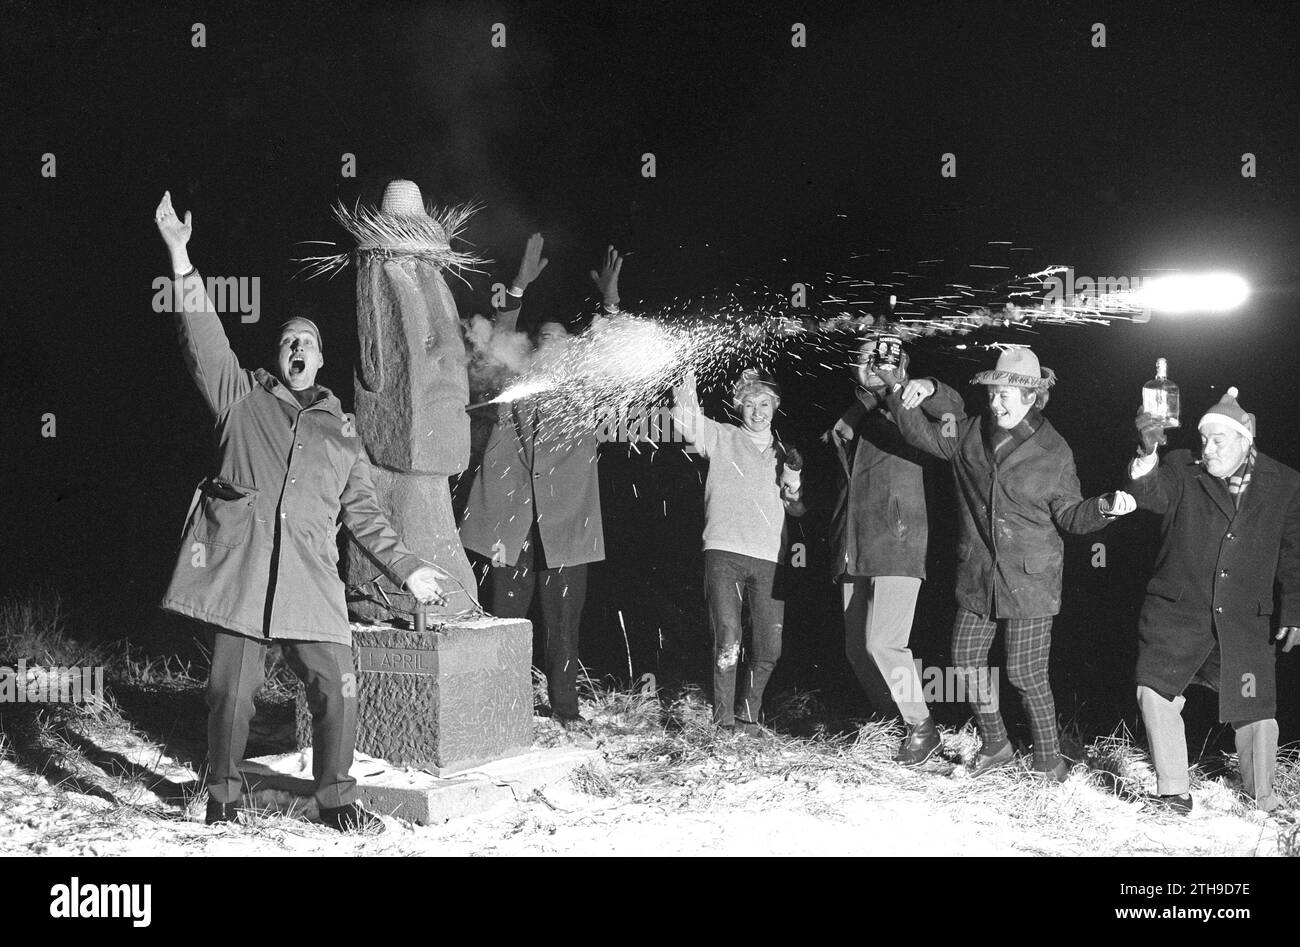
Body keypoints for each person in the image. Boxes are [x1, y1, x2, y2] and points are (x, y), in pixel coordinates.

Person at [153, 192, 448, 832]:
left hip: (312, 582)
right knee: (229, 694)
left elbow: (365, 515)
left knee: (339, 687)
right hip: (244, 575)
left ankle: (337, 801)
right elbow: (204, 339)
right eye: (287, 341)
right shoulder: (241, 398)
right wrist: (180, 258)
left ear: (319, 359)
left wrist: (409, 571)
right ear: (278, 353)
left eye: (306, 344)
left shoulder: (342, 433)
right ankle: (224, 797)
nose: (295, 350)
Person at [878, 346, 1134, 781]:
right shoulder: (970, 432)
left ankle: (1049, 760)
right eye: (993, 394)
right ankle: (996, 744)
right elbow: (920, 432)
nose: (995, 405)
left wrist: (1106, 508)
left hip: (1031, 579)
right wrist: (897, 386)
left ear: (1031, 397)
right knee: (964, 657)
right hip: (979, 574)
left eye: (1005, 397)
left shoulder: (1055, 452)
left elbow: (1072, 515)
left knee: (1024, 672)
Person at [459, 237, 621, 732]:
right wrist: (518, 286)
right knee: (504, 619)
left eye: (560, 341)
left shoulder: (584, 391)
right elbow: (498, 335)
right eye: (542, 340)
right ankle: (502, 710)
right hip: (510, 527)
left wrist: (611, 303)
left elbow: (616, 351)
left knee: (564, 628)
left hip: (567, 530)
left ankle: (566, 713)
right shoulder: (512, 384)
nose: (551, 346)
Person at [1128, 388, 1300, 815]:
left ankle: (1262, 798)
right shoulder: (1181, 469)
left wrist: (1295, 610)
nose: (1208, 448)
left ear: (1246, 440)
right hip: (1179, 612)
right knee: (1156, 692)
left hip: (1243, 620)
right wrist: (1148, 450)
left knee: (1255, 710)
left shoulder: (1284, 483)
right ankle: (1173, 793)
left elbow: (1295, 554)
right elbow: (1151, 495)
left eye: (1219, 440)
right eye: (1204, 439)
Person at [829, 340, 962, 763]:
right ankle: (894, 721)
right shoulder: (852, 414)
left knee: (886, 644)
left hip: (897, 540)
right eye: (864, 357)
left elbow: (952, 408)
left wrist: (921, 383)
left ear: (897, 361)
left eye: (880, 357)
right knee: (857, 650)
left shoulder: (908, 401)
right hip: (853, 545)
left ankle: (923, 728)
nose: (872, 364)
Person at [672, 368, 806, 734]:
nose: (757, 412)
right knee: (728, 640)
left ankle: (748, 715)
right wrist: (685, 370)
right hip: (724, 552)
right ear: (738, 406)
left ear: (775, 406)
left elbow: (797, 509)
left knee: (769, 648)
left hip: (770, 559)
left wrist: (793, 483)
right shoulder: (721, 436)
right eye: (749, 404)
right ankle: (723, 722)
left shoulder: (785, 452)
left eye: (764, 404)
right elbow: (684, 417)